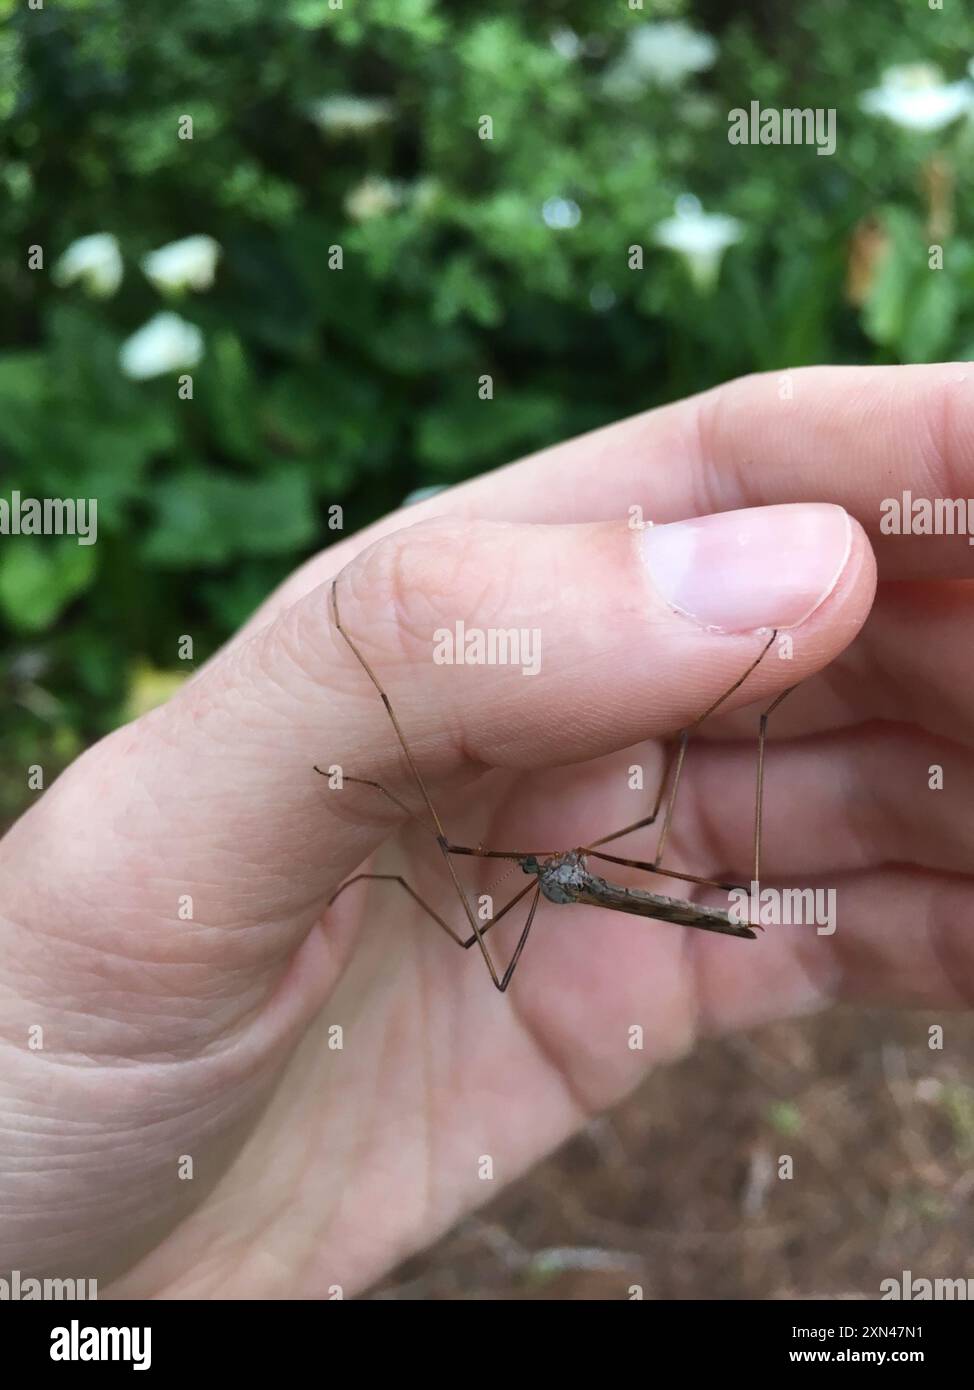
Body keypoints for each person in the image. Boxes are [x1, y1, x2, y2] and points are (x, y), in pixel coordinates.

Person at [2, 363, 968, 1298]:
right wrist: (384, 870)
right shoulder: (544, 874)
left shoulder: (551, 867)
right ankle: (743, 708)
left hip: (626, 889)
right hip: (600, 888)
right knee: (559, 865)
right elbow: (484, 922)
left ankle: (748, 703)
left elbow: (550, 868)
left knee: (622, 828)